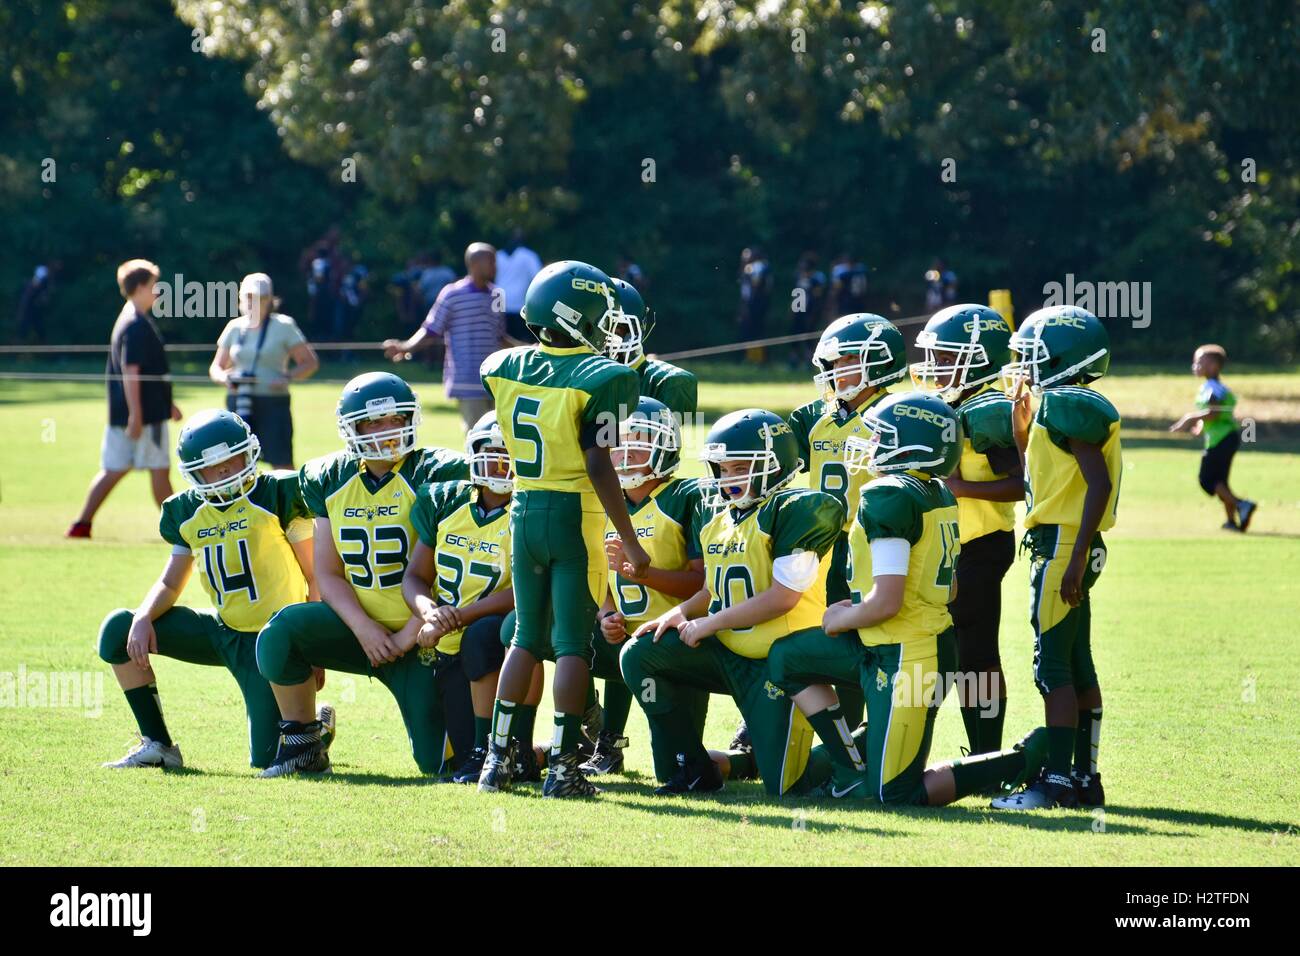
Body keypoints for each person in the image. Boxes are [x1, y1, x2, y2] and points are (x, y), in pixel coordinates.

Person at [769, 392, 1048, 806]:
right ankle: (850, 765)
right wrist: (857, 611)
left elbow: (887, 603)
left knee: (894, 794)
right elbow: (947, 589)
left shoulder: (890, 496)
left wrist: (841, 618)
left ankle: (1019, 761)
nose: (869, 444)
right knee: (786, 657)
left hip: (908, 655)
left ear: (912, 446)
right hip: (889, 643)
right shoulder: (937, 493)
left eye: (881, 436)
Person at [476, 260, 647, 797]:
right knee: (572, 644)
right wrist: (634, 543)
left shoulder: (502, 366)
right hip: (575, 515)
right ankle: (564, 770)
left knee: (526, 637)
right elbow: (600, 465)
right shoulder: (608, 377)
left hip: (523, 512)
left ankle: (495, 762)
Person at [254, 372, 470, 777]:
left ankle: (536, 749)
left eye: (396, 419)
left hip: (427, 635)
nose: (388, 431)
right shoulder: (329, 478)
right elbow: (329, 573)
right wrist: (364, 629)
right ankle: (303, 743)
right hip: (360, 630)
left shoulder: (438, 472)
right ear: (351, 427)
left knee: (440, 762)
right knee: (281, 633)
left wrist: (409, 634)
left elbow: (460, 570)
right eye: (374, 422)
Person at [624, 408, 843, 796]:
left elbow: (782, 597)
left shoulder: (796, 510)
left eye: (740, 466)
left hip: (778, 662)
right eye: (723, 469)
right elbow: (714, 588)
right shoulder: (719, 520)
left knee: (788, 787)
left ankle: (855, 748)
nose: (729, 478)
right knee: (641, 653)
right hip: (728, 655)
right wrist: (680, 612)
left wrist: (708, 624)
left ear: (775, 465)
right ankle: (696, 767)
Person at [97, 410, 328, 771]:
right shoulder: (185, 511)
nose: (224, 471)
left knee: (266, 758)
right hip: (223, 631)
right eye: (212, 467)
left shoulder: (278, 494)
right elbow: (172, 581)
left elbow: (315, 576)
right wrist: (143, 617)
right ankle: (158, 745)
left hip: (274, 641)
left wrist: (312, 647)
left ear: (249, 452)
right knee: (117, 630)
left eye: (231, 459)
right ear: (194, 472)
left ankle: (314, 727)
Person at [993, 305, 1121, 810]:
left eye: (1033, 354)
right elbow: (1043, 479)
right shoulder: (1053, 407)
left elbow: (1098, 485)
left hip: (1064, 546)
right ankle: (1086, 779)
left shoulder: (1068, 404)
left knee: (1053, 670)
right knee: (1077, 665)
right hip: (1067, 541)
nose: (1025, 363)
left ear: (1061, 357)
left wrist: (1075, 554)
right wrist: (1021, 429)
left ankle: (1057, 781)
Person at [912, 303, 1021, 754]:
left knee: (973, 654)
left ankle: (985, 754)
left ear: (978, 356)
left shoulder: (990, 410)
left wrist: (960, 487)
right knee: (937, 651)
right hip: (944, 549)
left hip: (980, 545)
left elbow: (1023, 484)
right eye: (932, 355)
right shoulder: (949, 404)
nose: (934, 366)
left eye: (945, 356)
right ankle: (908, 749)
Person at [402, 411, 515, 784]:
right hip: (445, 642)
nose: (500, 464)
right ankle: (538, 752)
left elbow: (523, 592)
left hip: (495, 638)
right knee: (437, 759)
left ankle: (496, 753)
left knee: (482, 637)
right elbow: (416, 577)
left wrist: (459, 617)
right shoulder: (445, 500)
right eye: (493, 453)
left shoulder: (529, 509)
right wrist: (429, 612)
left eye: (510, 454)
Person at [68, 259, 182, 539]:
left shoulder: (131, 319)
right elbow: (132, 373)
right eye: (155, 286)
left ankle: (81, 525)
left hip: (133, 412)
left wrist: (167, 402)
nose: (158, 292)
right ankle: (181, 530)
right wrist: (137, 415)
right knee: (159, 469)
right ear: (141, 287)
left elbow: (147, 373)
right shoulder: (135, 325)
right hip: (144, 417)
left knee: (114, 469)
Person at [384, 242, 512, 431]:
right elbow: (431, 330)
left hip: (496, 381)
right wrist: (405, 347)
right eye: (491, 261)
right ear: (475, 264)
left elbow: (500, 337)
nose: (495, 266)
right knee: (478, 439)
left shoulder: (497, 295)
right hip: (467, 381)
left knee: (501, 441)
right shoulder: (452, 294)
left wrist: (529, 349)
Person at [209, 273, 319, 470]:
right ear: (241, 299)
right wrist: (224, 378)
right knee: (237, 464)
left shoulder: (284, 325)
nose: (253, 303)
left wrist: (287, 377)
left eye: (260, 298)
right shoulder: (234, 327)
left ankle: (289, 501)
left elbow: (309, 363)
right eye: (249, 297)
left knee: (282, 463)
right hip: (239, 403)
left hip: (273, 403)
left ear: (270, 300)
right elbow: (216, 367)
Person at [1170, 344, 1256, 531]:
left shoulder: (1213, 388)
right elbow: (1211, 414)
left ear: (1214, 366)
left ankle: (1242, 505)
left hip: (1222, 439)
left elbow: (1213, 412)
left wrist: (1189, 419)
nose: (1195, 365)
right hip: (1225, 437)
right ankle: (1231, 521)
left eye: (1200, 361)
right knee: (1221, 482)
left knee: (1207, 479)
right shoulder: (1210, 386)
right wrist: (1201, 425)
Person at [495, 229, 543, 341]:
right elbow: (538, 279)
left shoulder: (497, 255)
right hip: (520, 307)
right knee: (521, 343)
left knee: (502, 341)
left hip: (499, 305)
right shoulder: (529, 256)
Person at [787, 253, 826, 369]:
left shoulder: (817, 278)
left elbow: (817, 296)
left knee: (809, 336)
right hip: (798, 309)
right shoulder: (799, 276)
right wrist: (792, 309)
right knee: (795, 334)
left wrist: (815, 312)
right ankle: (793, 360)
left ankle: (809, 360)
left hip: (810, 311)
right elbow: (795, 294)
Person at [737, 247, 773, 363]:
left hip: (756, 304)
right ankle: (753, 357)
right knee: (752, 331)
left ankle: (758, 358)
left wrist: (749, 305)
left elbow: (756, 286)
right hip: (755, 303)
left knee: (755, 331)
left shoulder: (757, 266)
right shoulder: (759, 266)